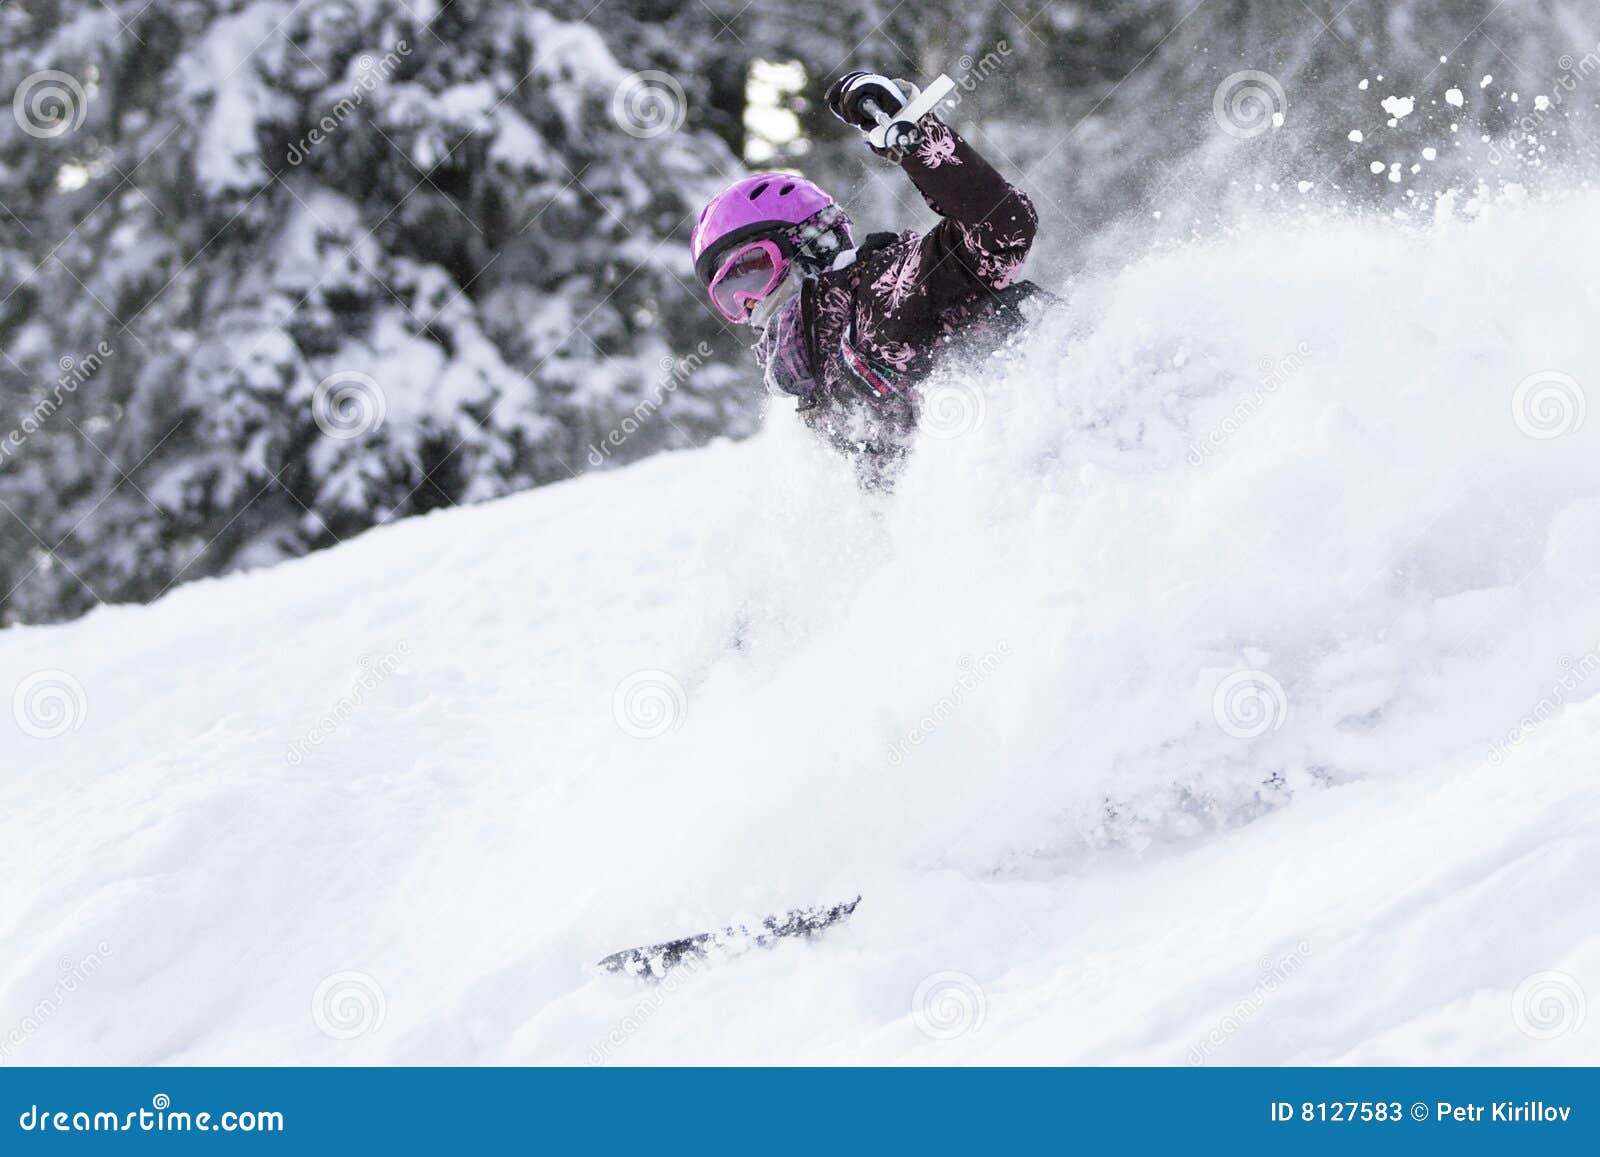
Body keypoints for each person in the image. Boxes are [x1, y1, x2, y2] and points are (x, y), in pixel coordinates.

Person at [690, 71, 1041, 488]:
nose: (747, 302)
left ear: (811, 243)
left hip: (1060, 444)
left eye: (753, 269)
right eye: (728, 295)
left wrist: (917, 140)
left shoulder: (884, 290)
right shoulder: (817, 397)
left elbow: (1002, 228)